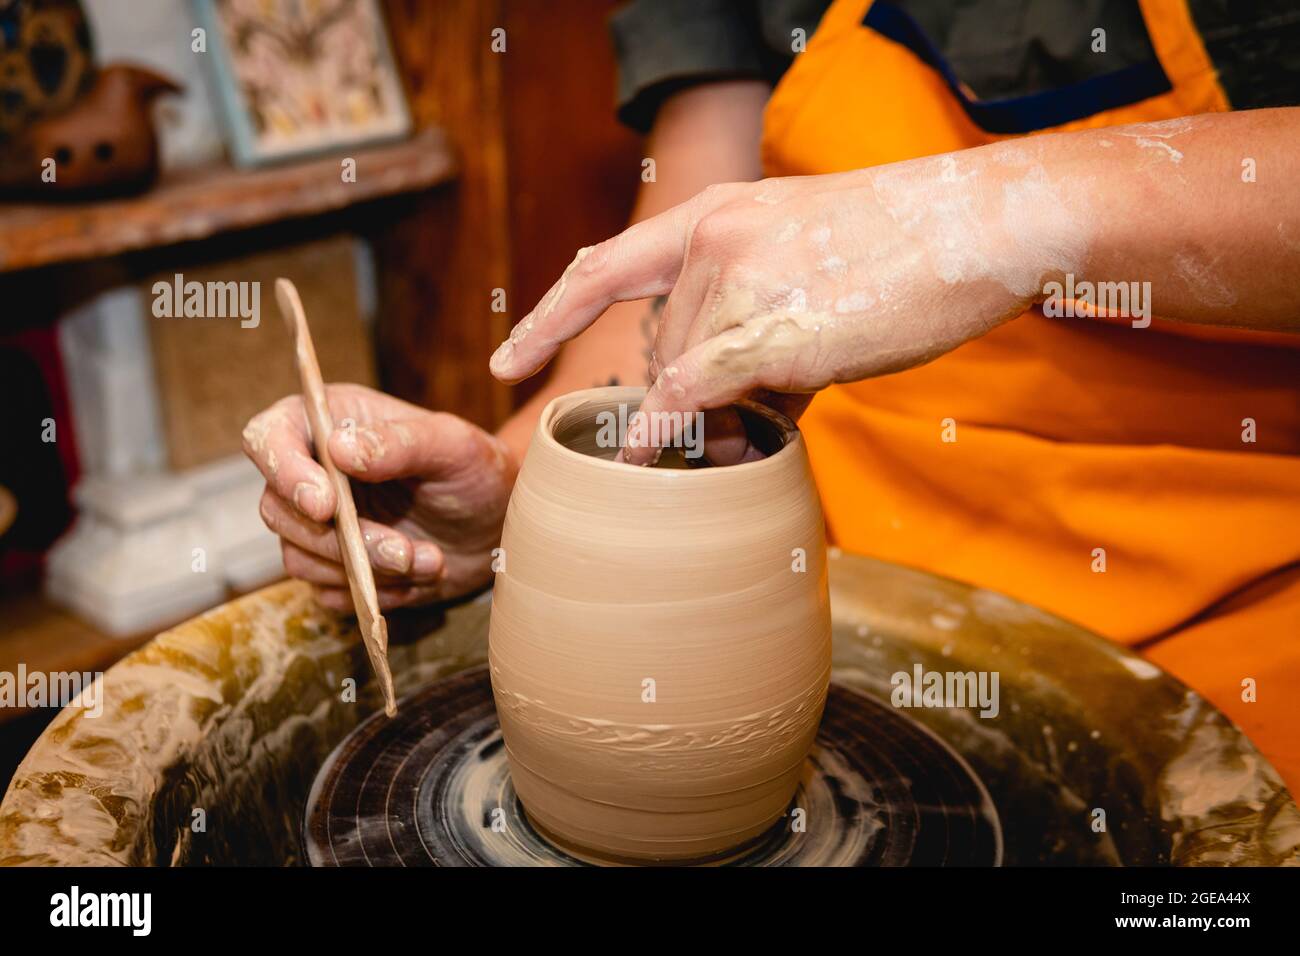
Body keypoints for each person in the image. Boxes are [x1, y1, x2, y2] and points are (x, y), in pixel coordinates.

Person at [243, 1, 1300, 790]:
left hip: (1225, 619)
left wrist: (1000, 217)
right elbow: (685, 274)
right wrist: (526, 494)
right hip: (820, 576)